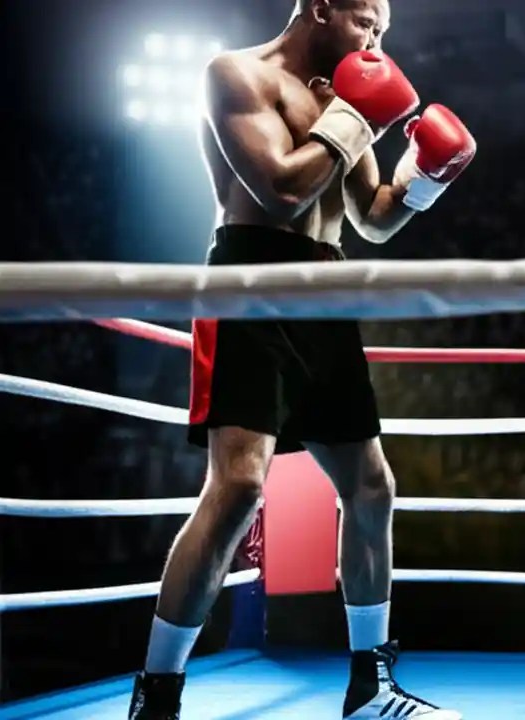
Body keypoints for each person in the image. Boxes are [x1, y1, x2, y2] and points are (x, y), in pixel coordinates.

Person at [128, 1, 474, 718]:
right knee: (238, 490)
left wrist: (427, 176)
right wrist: (355, 116)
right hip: (252, 281)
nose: (377, 43)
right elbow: (280, 188)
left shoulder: (333, 95)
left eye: (383, 32)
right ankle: (156, 696)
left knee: (372, 487)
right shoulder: (235, 74)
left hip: (326, 288)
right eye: (367, 24)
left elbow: (373, 218)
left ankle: (370, 688)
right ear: (321, 8)